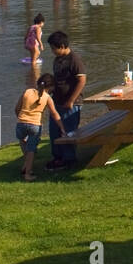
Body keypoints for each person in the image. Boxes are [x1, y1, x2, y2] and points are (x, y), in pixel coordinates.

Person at [45, 31, 85, 171]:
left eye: (53, 48)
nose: (52, 51)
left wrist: (71, 100)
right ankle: (57, 157)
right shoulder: (57, 60)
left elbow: (82, 80)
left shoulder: (74, 59)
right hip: (56, 102)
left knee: (68, 132)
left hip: (71, 104)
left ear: (62, 46)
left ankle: (69, 160)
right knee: (54, 130)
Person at [15, 73, 64, 181]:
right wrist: (62, 128)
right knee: (32, 150)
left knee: (22, 141)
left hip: (21, 123)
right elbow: (54, 114)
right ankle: (28, 173)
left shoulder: (27, 92)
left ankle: (26, 165)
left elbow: (17, 108)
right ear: (50, 87)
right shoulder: (47, 98)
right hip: (35, 126)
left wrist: (20, 119)